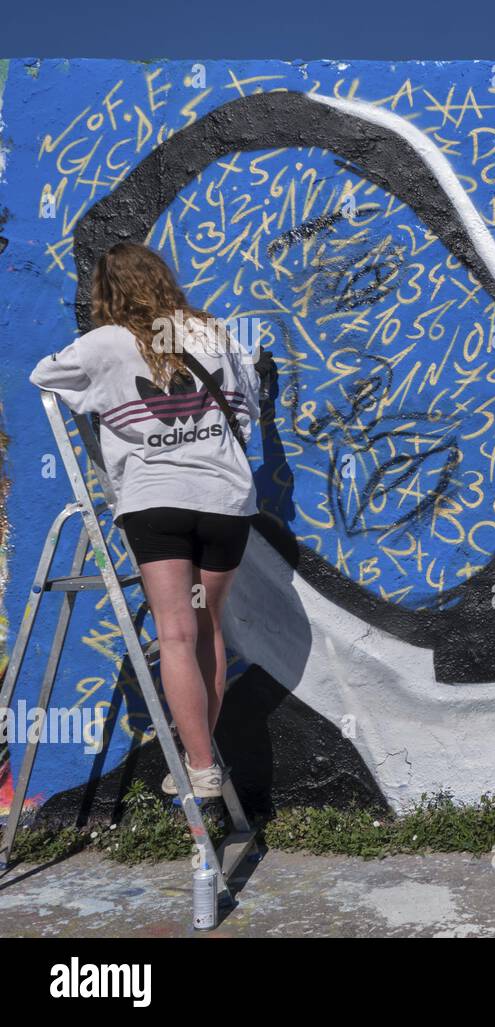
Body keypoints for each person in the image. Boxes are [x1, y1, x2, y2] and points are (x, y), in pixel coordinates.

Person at [31, 242, 262, 799]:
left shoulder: (103, 345)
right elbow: (250, 409)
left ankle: (201, 765)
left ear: (107, 293)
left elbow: (44, 377)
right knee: (208, 629)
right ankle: (205, 754)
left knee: (175, 635)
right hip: (223, 500)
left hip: (156, 504)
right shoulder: (212, 334)